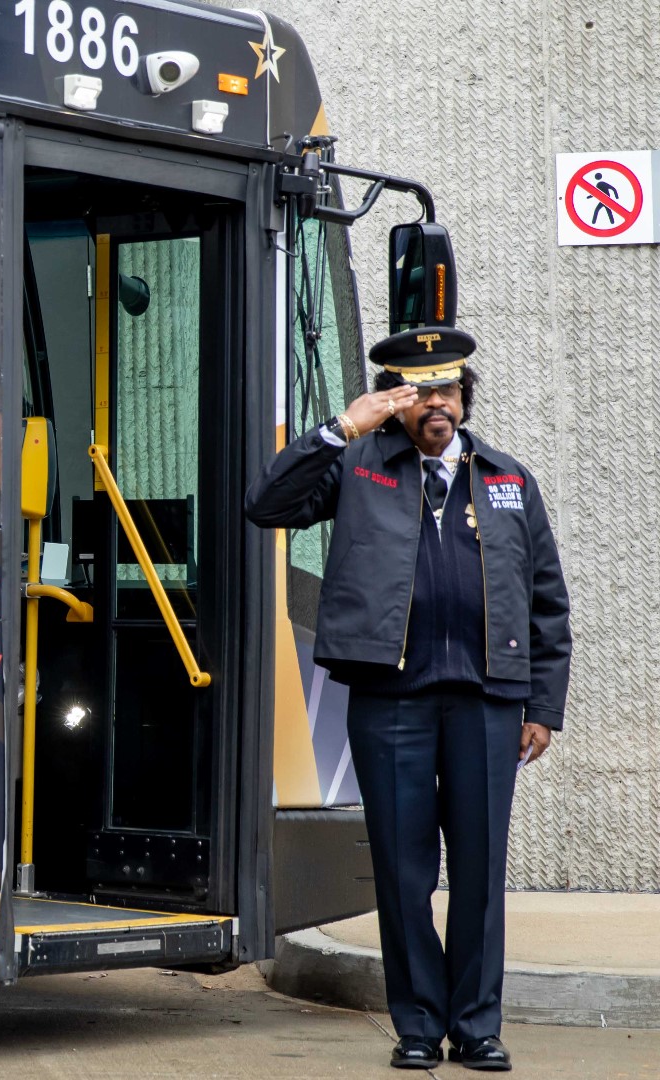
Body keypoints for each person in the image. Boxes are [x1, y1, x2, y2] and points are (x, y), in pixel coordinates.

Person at [245, 326, 571, 1072]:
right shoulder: (358, 466)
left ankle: (478, 1027)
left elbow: (547, 602)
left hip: (488, 703)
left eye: (447, 390)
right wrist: (340, 428)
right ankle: (419, 1025)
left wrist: (543, 707)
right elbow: (266, 504)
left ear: (464, 397)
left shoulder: (509, 480)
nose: (436, 405)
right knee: (401, 869)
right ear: (393, 403)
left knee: (479, 872)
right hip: (390, 700)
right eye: (419, 393)